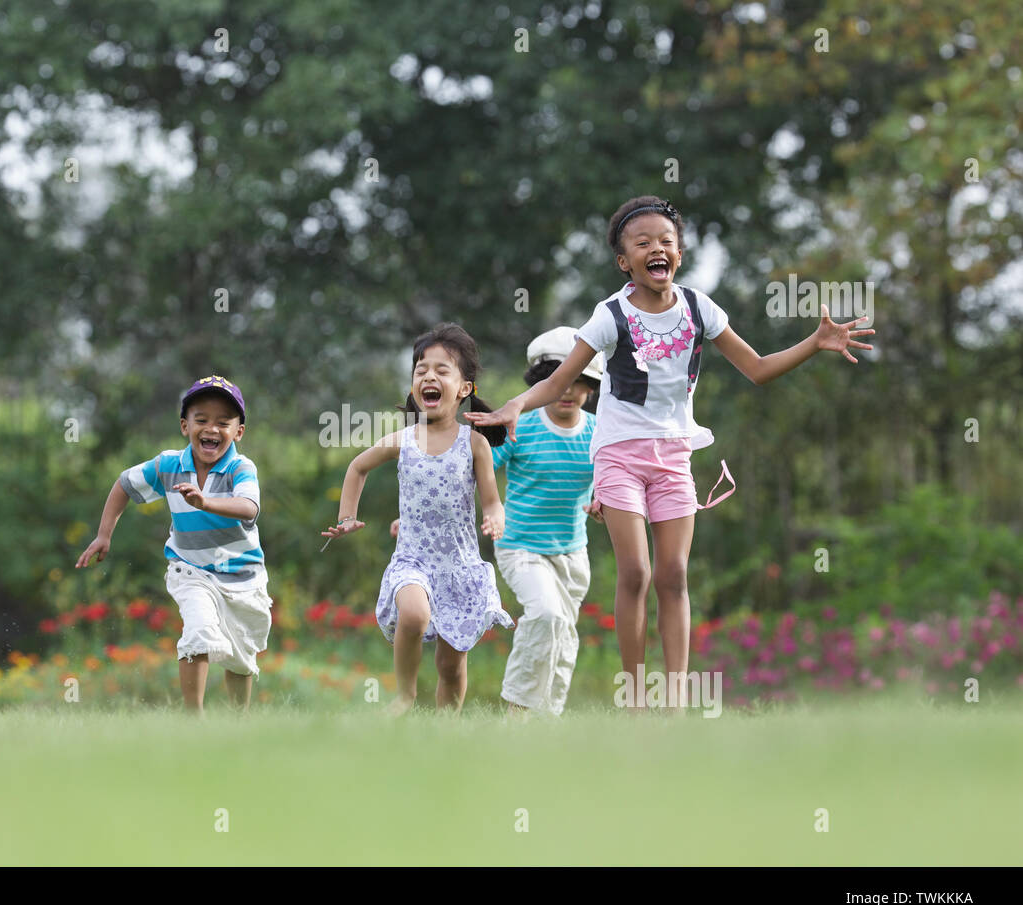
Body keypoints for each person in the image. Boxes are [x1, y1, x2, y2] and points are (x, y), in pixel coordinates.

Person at [467, 196, 875, 707]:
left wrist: (813, 344)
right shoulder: (610, 316)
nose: (656, 249)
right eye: (643, 244)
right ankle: (637, 696)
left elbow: (759, 368)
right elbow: (559, 382)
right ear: (625, 262)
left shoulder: (700, 309)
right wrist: (515, 407)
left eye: (666, 242)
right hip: (617, 454)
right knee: (635, 571)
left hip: (673, 457)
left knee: (673, 574)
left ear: (678, 253)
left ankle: (675, 698)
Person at [322, 324, 513, 715]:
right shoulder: (403, 439)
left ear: (464, 388)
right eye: (421, 369)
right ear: (413, 386)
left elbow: (492, 501)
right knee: (413, 611)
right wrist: (346, 517)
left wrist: (495, 520)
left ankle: (447, 728)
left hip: (459, 566)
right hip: (413, 559)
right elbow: (358, 468)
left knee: (451, 664)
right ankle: (405, 696)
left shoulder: (473, 443)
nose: (429, 376)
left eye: (442, 370)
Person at [76, 376, 271, 713]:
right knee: (197, 634)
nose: (212, 428)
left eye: (223, 422)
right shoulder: (169, 465)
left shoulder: (241, 467)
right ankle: (192, 720)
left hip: (242, 576)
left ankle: (241, 723)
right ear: (185, 426)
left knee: (241, 659)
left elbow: (249, 507)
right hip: (191, 570)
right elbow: (124, 485)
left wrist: (206, 502)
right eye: (202, 420)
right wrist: (104, 534)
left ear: (238, 432)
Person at [491, 328, 604, 716]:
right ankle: (515, 712)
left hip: (573, 555)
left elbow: (614, 481)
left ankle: (546, 724)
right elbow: (476, 470)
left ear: (591, 388)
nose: (568, 391)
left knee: (563, 636)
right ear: (541, 385)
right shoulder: (519, 425)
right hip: (519, 545)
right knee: (545, 615)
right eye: (558, 381)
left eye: (579, 382)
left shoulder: (598, 434)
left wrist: (605, 501)